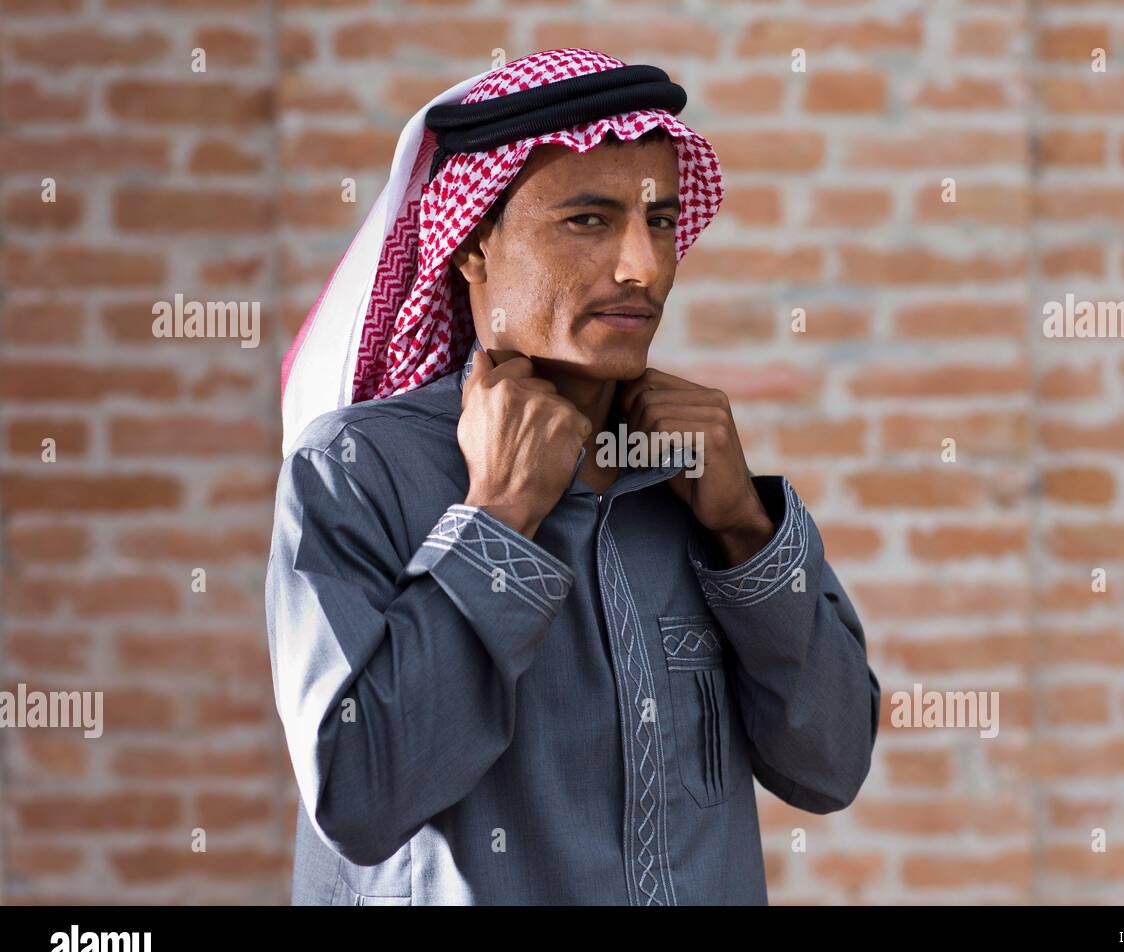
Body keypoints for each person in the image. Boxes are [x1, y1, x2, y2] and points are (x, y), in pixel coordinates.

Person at [266, 48, 881, 906]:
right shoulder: (360, 473)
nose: (645, 266)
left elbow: (833, 764)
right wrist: (498, 519)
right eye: (589, 220)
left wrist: (746, 528)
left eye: (660, 220)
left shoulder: (696, 480)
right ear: (472, 242)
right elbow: (358, 798)